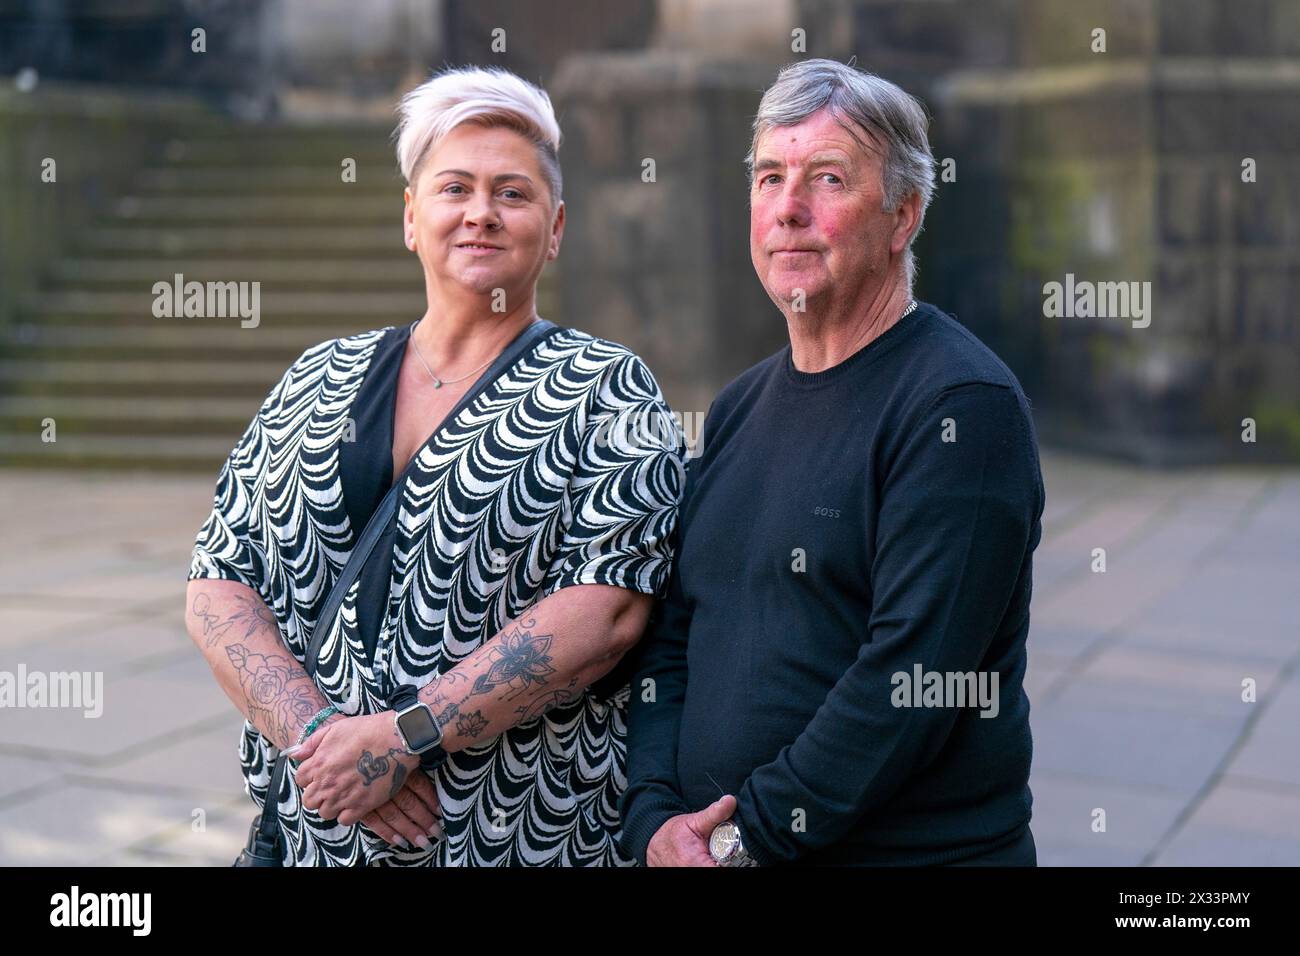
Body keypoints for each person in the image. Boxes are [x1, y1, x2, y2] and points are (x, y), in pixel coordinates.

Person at [185, 66, 687, 866]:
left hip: (513, 840)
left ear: (555, 230)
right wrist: (325, 746)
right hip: (314, 836)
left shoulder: (608, 389)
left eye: (512, 194)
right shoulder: (320, 374)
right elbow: (217, 583)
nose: (481, 213)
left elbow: (607, 612)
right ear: (412, 218)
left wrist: (402, 738)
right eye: (455, 188)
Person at [620, 58, 1044, 867]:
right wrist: (651, 818)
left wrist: (746, 841)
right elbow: (671, 638)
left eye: (828, 179)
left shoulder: (961, 408)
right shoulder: (739, 407)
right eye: (770, 177)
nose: (788, 209)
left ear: (903, 216)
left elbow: (909, 684)